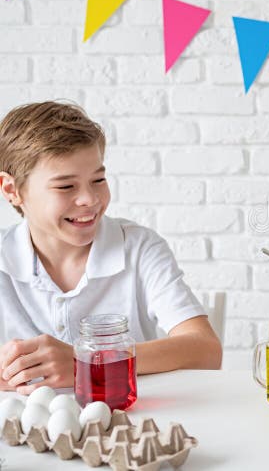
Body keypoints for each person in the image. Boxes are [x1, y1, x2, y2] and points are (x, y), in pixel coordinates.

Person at [0, 101, 222, 395]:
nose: (89, 199)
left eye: (98, 180)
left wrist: (90, 363)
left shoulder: (139, 247)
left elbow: (206, 351)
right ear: (12, 190)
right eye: (66, 186)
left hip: (130, 426)